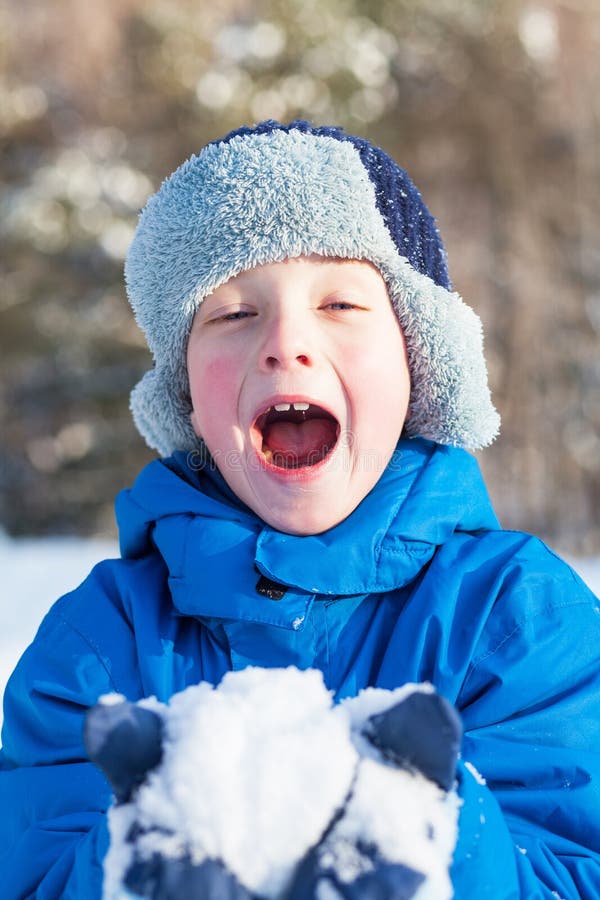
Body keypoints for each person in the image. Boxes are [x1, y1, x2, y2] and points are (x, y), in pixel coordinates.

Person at [1, 119, 599, 898]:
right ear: (185, 395)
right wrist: (129, 857)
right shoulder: (99, 644)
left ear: (420, 362)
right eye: (232, 314)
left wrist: (435, 842)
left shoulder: (516, 616)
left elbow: (572, 867)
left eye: (342, 304)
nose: (286, 342)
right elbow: (30, 873)